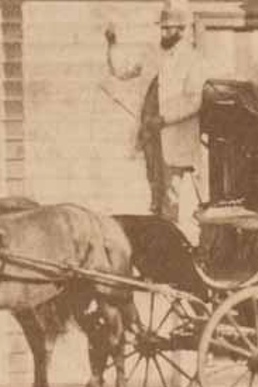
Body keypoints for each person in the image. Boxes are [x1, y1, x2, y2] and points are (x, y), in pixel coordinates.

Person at [105, 0, 208, 243]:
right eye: (162, 28)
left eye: (168, 29)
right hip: (151, 136)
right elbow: (122, 71)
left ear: (182, 31)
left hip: (174, 137)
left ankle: (173, 247)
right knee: (154, 192)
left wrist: (164, 119)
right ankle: (158, 243)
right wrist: (112, 44)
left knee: (173, 198)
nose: (163, 33)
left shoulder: (194, 60)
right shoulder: (152, 55)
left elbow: (195, 100)